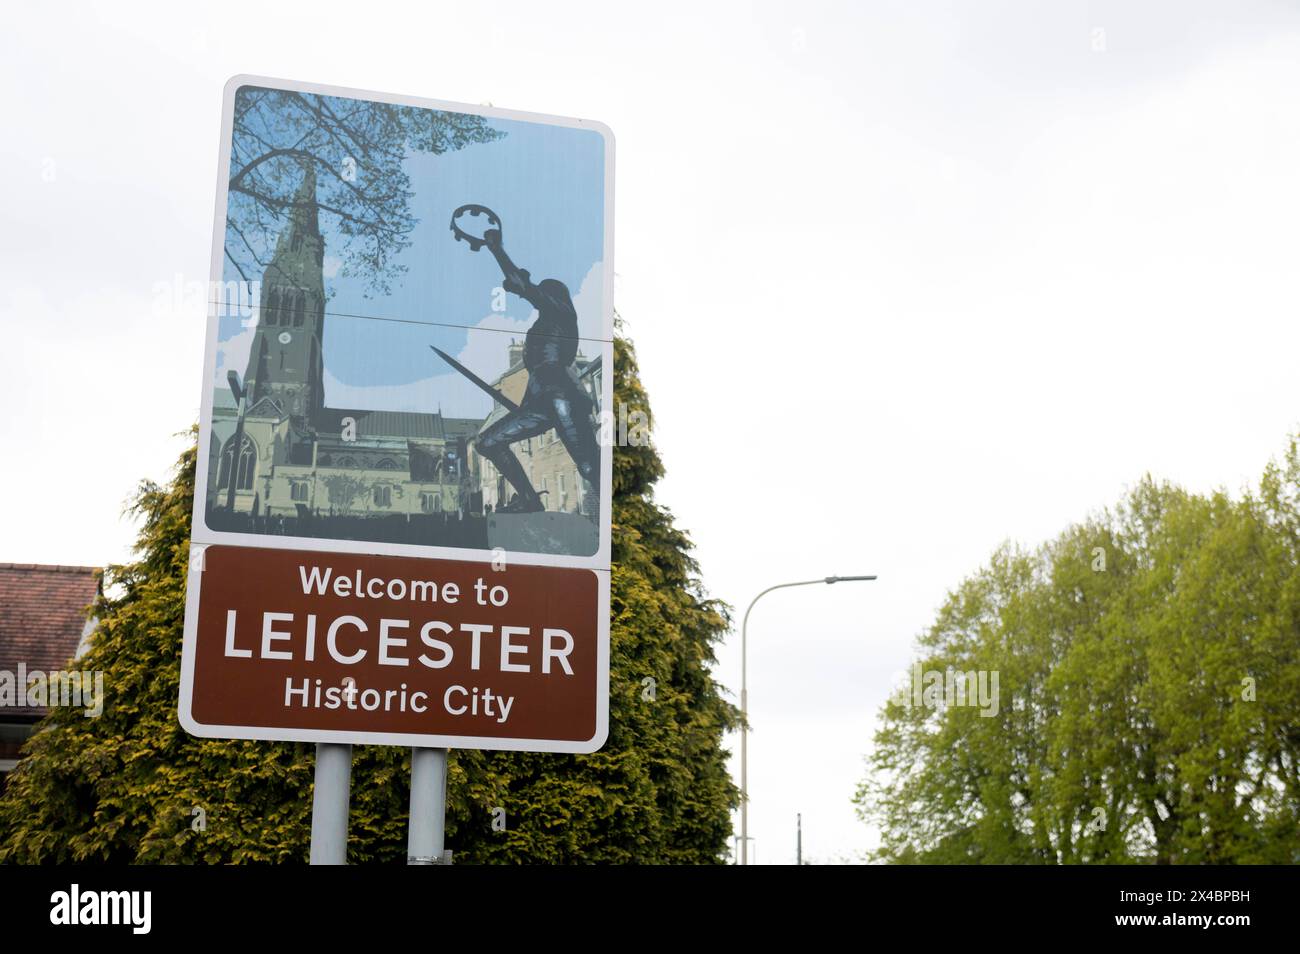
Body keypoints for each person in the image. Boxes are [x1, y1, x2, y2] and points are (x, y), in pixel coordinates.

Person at [472, 227, 601, 513]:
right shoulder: (543, 324)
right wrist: (526, 404)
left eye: (544, 291)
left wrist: (496, 249)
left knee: (590, 467)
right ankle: (530, 499)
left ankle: (609, 514)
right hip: (541, 400)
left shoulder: (563, 313)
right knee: (487, 443)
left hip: (563, 396)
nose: (538, 294)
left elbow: (522, 285)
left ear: (553, 295)